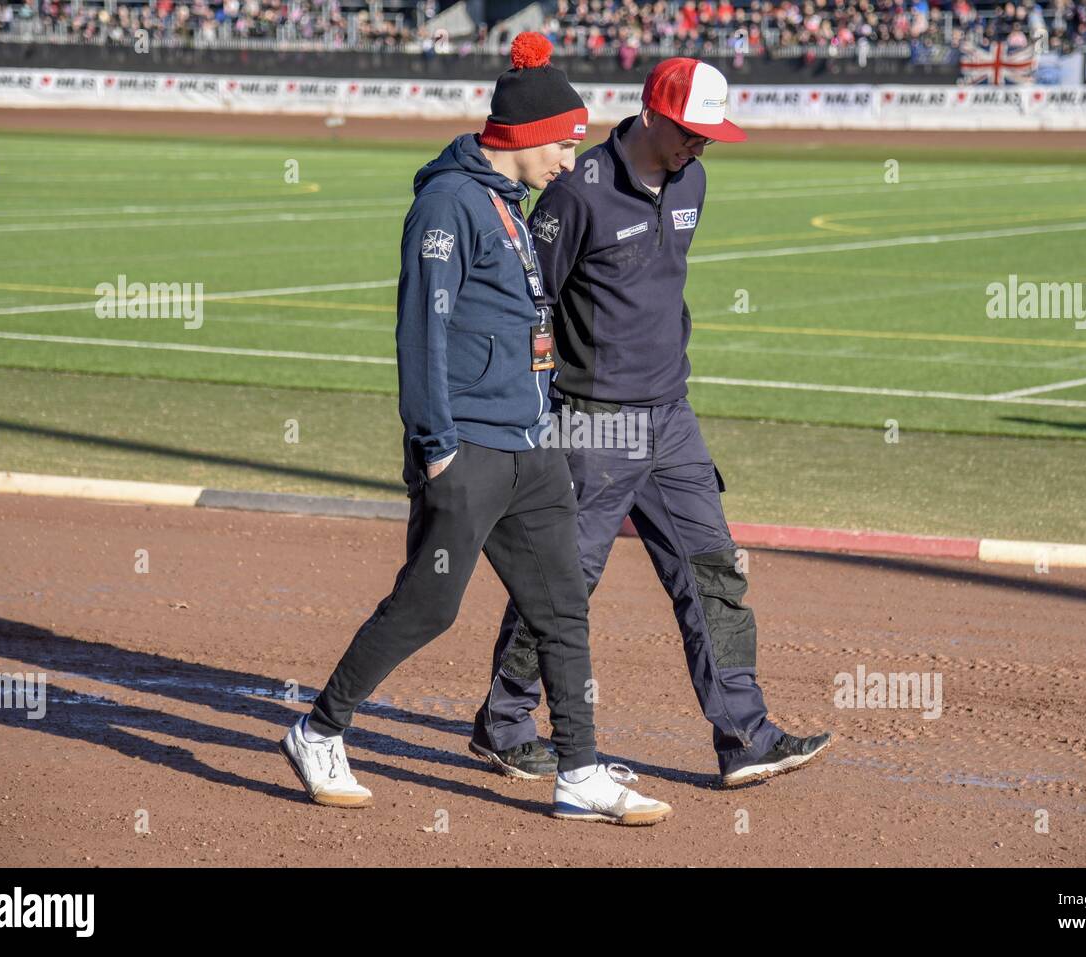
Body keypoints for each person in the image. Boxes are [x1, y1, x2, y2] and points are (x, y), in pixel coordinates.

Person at [279, 32, 671, 826]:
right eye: (563, 142)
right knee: (429, 606)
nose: (570, 159)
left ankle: (582, 771)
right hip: (468, 449)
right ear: (526, 135)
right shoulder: (447, 204)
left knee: (562, 606)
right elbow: (421, 333)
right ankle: (319, 729)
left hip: (530, 449)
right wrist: (436, 445)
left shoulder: (510, 204)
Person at [470, 57, 832, 788]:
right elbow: (530, 303)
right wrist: (536, 411)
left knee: (714, 570)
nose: (703, 146)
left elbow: (666, 289)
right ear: (654, 115)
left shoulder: (694, 181)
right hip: (592, 426)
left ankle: (745, 735)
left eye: (711, 136)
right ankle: (504, 725)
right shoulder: (577, 193)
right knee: (561, 584)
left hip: (671, 418)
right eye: (693, 132)